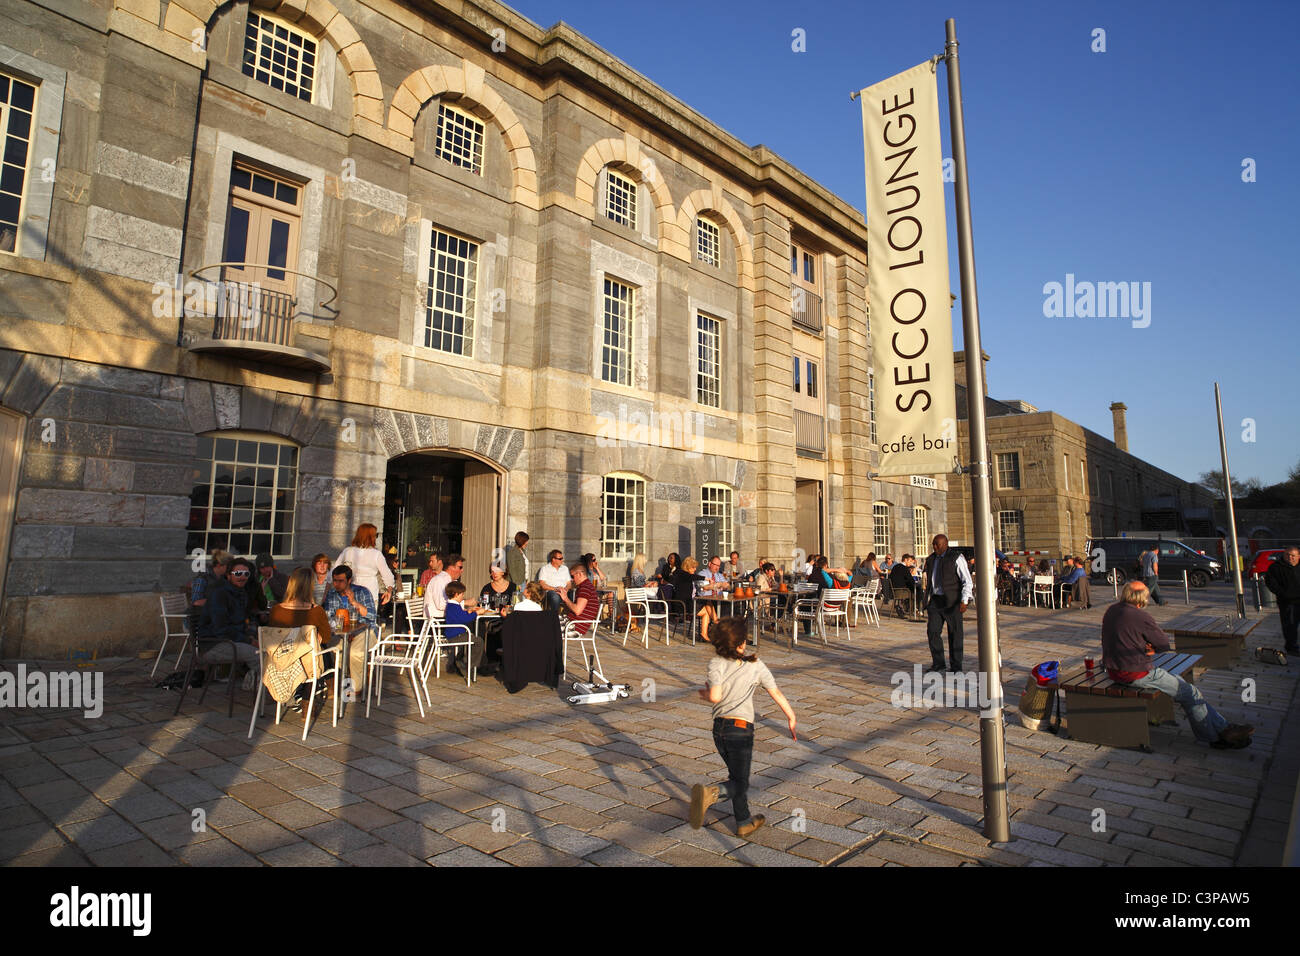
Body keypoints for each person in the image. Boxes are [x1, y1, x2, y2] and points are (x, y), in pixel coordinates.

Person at [1102, 582, 1252, 748]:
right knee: (1190, 693)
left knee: (1179, 681)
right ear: (1142, 598)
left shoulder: (1112, 610)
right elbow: (1163, 643)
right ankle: (1215, 737)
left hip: (1113, 669)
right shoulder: (1139, 616)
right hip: (1134, 672)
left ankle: (1224, 728)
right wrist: (1151, 647)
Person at [690, 617, 796, 838]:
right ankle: (712, 793)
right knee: (740, 782)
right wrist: (790, 716)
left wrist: (706, 695)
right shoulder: (755, 665)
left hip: (719, 729)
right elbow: (775, 692)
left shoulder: (715, 662)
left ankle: (744, 822)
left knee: (736, 776)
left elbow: (716, 696)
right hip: (740, 730)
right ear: (741, 643)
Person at [269, 567, 360, 707]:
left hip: (280, 660)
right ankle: (314, 697)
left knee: (316, 649)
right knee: (322, 649)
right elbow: (326, 637)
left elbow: (273, 634)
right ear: (310, 586)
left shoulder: (276, 610)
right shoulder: (315, 610)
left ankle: (323, 690)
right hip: (307, 664)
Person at [196, 557, 260, 669]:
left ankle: (255, 681)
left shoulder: (241, 593)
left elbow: (244, 620)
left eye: (246, 574)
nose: (242, 577)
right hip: (214, 644)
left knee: (270, 649)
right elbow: (221, 629)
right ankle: (258, 685)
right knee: (258, 655)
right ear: (229, 575)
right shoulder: (219, 594)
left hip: (231, 640)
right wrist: (248, 640)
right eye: (238, 573)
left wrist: (251, 634)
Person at [923, 534, 973, 672]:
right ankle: (938, 663)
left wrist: (964, 600)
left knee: (955, 634)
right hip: (936, 600)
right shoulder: (931, 559)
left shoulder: (956, 558)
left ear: (945, 544)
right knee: (932, 631)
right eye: (933, 544)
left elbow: (966, 580)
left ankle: (956, 666)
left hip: (952, 600)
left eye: (937, 544)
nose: (934, 547)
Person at [336, 523, 395, 615]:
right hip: (369, 591)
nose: (376, 538)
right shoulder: (376, 554)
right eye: (375, 535)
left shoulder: (348, 551)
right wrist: (389, 590)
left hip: (351, 589)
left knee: (351, 619)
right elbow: (387, 575)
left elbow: (335, 570)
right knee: (368, 619)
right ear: (370, 537)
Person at [442, 581, 488, 678]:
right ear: (456, 594)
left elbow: (460, 616)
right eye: (462, 594)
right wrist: (476, 613)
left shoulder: (452, 606)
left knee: (474, 640)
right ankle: (468, 665)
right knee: (479, 641)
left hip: (455, 634)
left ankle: (466, 662)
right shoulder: (454, 606)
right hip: (456, 636)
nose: (463, 597)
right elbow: (464, 619)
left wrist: (469, 611)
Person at [1264, 546, 1300, 654]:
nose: (1290, 557)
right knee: (1290, 626)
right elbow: (1270, 583)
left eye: (1293, 555)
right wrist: (1283, 594)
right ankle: (1291, 647)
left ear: (1298, 556)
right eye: (1287, 555)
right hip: (1287, 602)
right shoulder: (1275, 567)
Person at [324, 564, 377, 635]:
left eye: (341, 581)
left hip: (363, 633)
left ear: (349, 580)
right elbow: (329, 618)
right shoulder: (331, 594)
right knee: (334, 645)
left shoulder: (362, 592)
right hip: (340, 634)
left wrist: (354, 602)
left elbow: (372, 615)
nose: (337, 584)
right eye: (335, 580)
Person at [189, 549, 231, 632]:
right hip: (199, 620)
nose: (231, 569)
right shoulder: (202, 578)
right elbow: (196, 602)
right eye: (228, 566)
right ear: (219, 565)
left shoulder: (223, 579)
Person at [559, 561, 599, 635]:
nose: (571, 579)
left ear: (580, 574)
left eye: (572, 576)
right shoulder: (586, 586)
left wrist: (565, 598)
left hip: (574, 627)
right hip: (573, 624)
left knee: (544, 625)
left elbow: (577, 610)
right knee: (546, 621)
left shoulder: (585, 588)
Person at [423, 553, 464, 619]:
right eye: (460, 567)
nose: (462, 570)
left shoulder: (448, 580)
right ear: (451, 567)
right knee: (472, 621)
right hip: (437, 620)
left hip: (445, 617)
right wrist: (464, 603)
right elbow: (441, 605)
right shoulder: (439, 580)